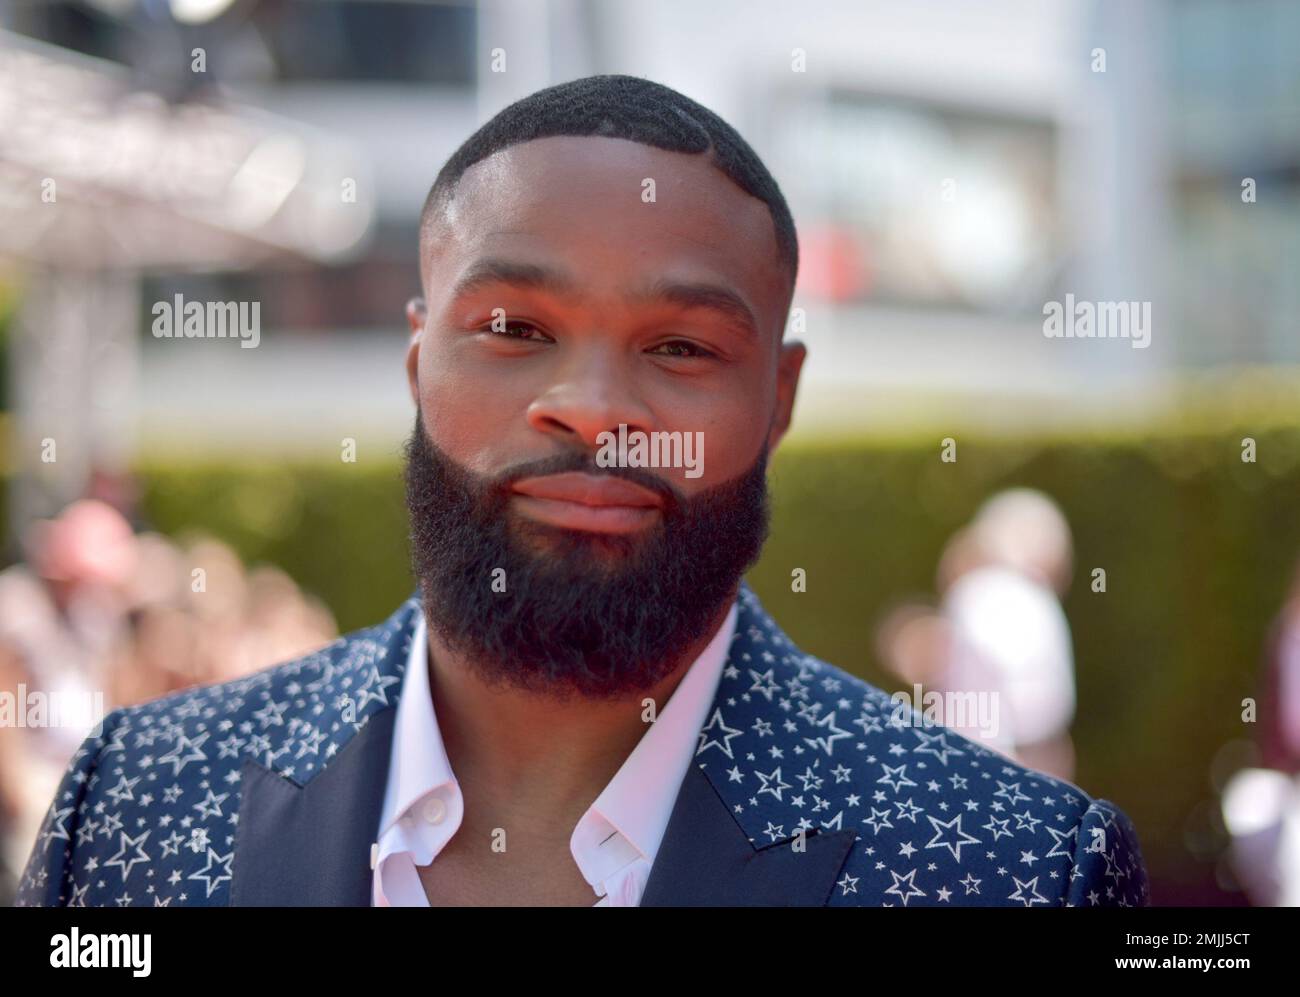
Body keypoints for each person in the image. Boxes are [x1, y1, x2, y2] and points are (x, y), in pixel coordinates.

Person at [14, 75, 1147, 907]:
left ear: (779, 395)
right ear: (418, 362)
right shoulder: (137, 804)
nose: (594, 408)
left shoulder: (1009, 868)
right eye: (513, 328)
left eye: (683, 347)